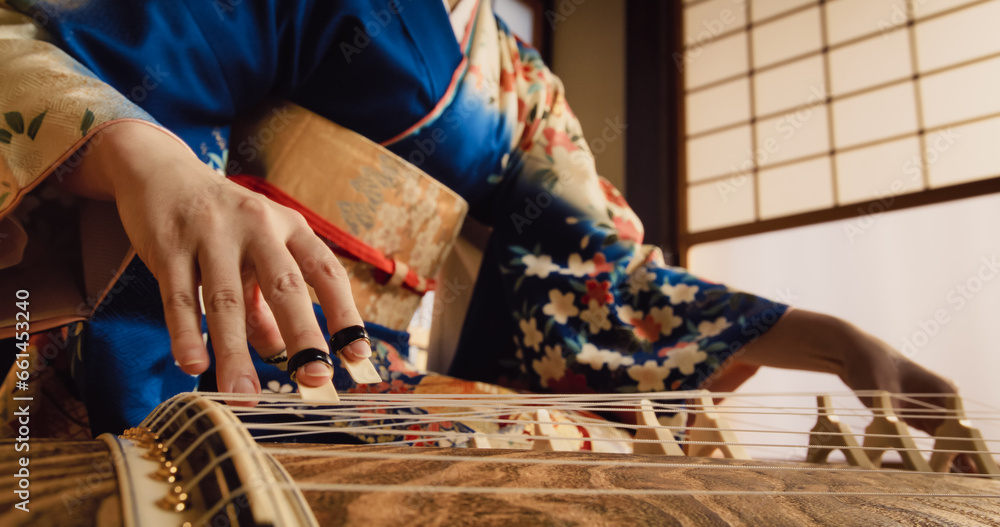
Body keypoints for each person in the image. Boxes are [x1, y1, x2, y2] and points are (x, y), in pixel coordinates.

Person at [0, 0, 954, 439]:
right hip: (209, 334)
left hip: (379, 382)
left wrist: (834, 341)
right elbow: (138, 49)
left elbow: (596, 285)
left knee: (584, 465)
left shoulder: (529, 93)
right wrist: (155, 161)